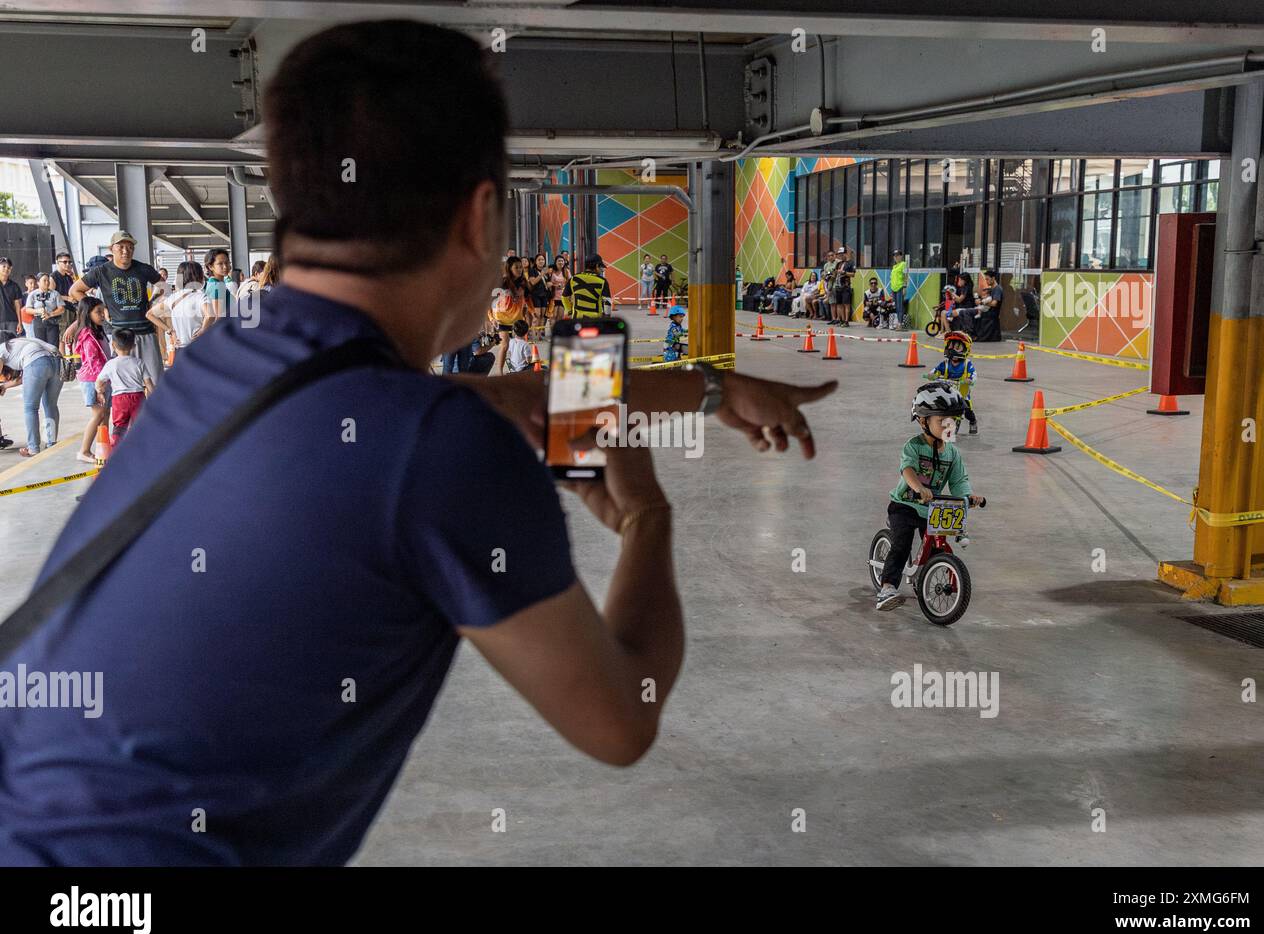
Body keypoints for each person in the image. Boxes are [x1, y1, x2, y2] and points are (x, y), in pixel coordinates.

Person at [0, 20, 835, 866]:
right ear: (479, 218)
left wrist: (714, 389)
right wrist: (648, 519)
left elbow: (500, 398)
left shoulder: (234, 356)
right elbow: (621, 718)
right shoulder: (437, 449)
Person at [875, 381, 984, 611]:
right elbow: (907, 470)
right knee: (901, 544)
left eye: (953, 421)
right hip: (904, 504)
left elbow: (958, 480)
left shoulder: (952, 453)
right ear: (923, 421)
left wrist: (968, 497)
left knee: (936, 546)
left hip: (932, 507)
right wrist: (917, 487)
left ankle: (923, 578)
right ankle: (887, 588)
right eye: (942, 420)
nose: (949, 425)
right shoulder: (913, 446)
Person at [70, 231, 165, 385]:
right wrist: (100, 308)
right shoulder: (101, 271)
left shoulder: (143, 268)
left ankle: (151, 409)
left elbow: (164, 287)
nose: (125, 251)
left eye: (129, 247)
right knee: (124, 384)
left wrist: (154, 301)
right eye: (121, 247)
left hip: (145, 333)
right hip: (120, 336)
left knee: (154, 381)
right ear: (111, 248)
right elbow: (74, 291)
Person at [62, 297, 113, 463]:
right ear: (87, 314)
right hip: (93, 379)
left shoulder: (98, 330)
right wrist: (100, 387)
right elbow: (94, 362)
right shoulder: (87, 335)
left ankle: (103, 448)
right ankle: (84, 451)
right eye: (98, 312)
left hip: (102, 378)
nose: (102, 315)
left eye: (102, 311)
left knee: (105, 413)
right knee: (98, 414)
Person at [0, 334, 62, 457]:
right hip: (58, 362)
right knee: (51, 406)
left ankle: (33, 448)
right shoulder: (21, 343)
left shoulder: (2, 348)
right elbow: (27, 377)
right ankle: (51, 443)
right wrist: (4, 386)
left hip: (37, 363)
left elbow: (34, 370)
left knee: (30, 408)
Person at [95, 329, 154, 446]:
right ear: (133, 346)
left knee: (120, 426)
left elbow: (99, 381)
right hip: (138, 398)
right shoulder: (139, 363)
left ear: (113, 345)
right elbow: (149, 384)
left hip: (119, 399)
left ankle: (116, 451)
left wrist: (100, 391)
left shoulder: (111, 364)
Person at [148, 260, 209, 354]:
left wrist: (170, 331)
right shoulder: (201, 296)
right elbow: (210, 315)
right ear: (200, 277)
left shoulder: (173, 298)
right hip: (199, 348)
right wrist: (203, 330)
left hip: (180, 349)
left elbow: (150, 314)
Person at [926, 330, 978, 435]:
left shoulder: (967, 364)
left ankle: (973, 421)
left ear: (965, 349)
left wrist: (970, 380)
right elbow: (935, 371)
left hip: (962, 391)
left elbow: (973, 374)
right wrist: (932, 375)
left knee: (967, 408)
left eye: (957, 348)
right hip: (947, 390)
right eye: (950, 347)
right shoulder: (944, 364)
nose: (952, 350)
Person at [24, 273, 64, 348]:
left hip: (52, 321)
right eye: (44, 280)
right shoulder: (33, 294)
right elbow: (28, 309)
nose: (47, 282)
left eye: (48, 280)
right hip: (38, 321)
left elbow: (61, 309)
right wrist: (38, 311)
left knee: (53, 346)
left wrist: (50, 314)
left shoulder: (55, 293)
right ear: (38, 282)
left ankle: (54, 359)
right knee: (40, 346)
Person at [568, 254, 613, 319]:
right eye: (601, 267)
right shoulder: (602, 281)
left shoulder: (573, 278)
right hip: (595, 319)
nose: (601, 270)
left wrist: (569, 311)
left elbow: (564, 297)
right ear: (597, 265)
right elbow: (607, 301)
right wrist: (607, 316)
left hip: (577, 318)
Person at [0, 258, 24, 338]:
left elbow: (18, 306)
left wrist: (20, 322)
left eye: (9, 267)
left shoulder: (15, 286)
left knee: (12, 346)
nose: (6, 269)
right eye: (4, 266)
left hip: (12, 322)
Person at [832, 251, 856, 326]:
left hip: (846, 286)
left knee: (846, 304)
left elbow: (853, 274)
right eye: (839, 255)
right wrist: (833, 273)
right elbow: (835, 273)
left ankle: (846, 321)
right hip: (838, 286)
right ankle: (841, 320)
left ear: (846, 254)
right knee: (839, 304)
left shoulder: (851, 263)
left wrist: (844, 272)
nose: (841, 256)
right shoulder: (839, 264)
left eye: (842, 254)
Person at [889, 249, 908, 331]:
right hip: (894, 288)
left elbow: (905, 277)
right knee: (896, 306)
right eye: (894, 256)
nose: (896, 257)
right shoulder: (894, 266)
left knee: (900, 306)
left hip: (900, 287)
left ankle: (900, 323)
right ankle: (898, 322)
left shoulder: (904, 264)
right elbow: (892, 278)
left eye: (897, 255)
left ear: (901, 256)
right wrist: (891, 290)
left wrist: (904, 287)